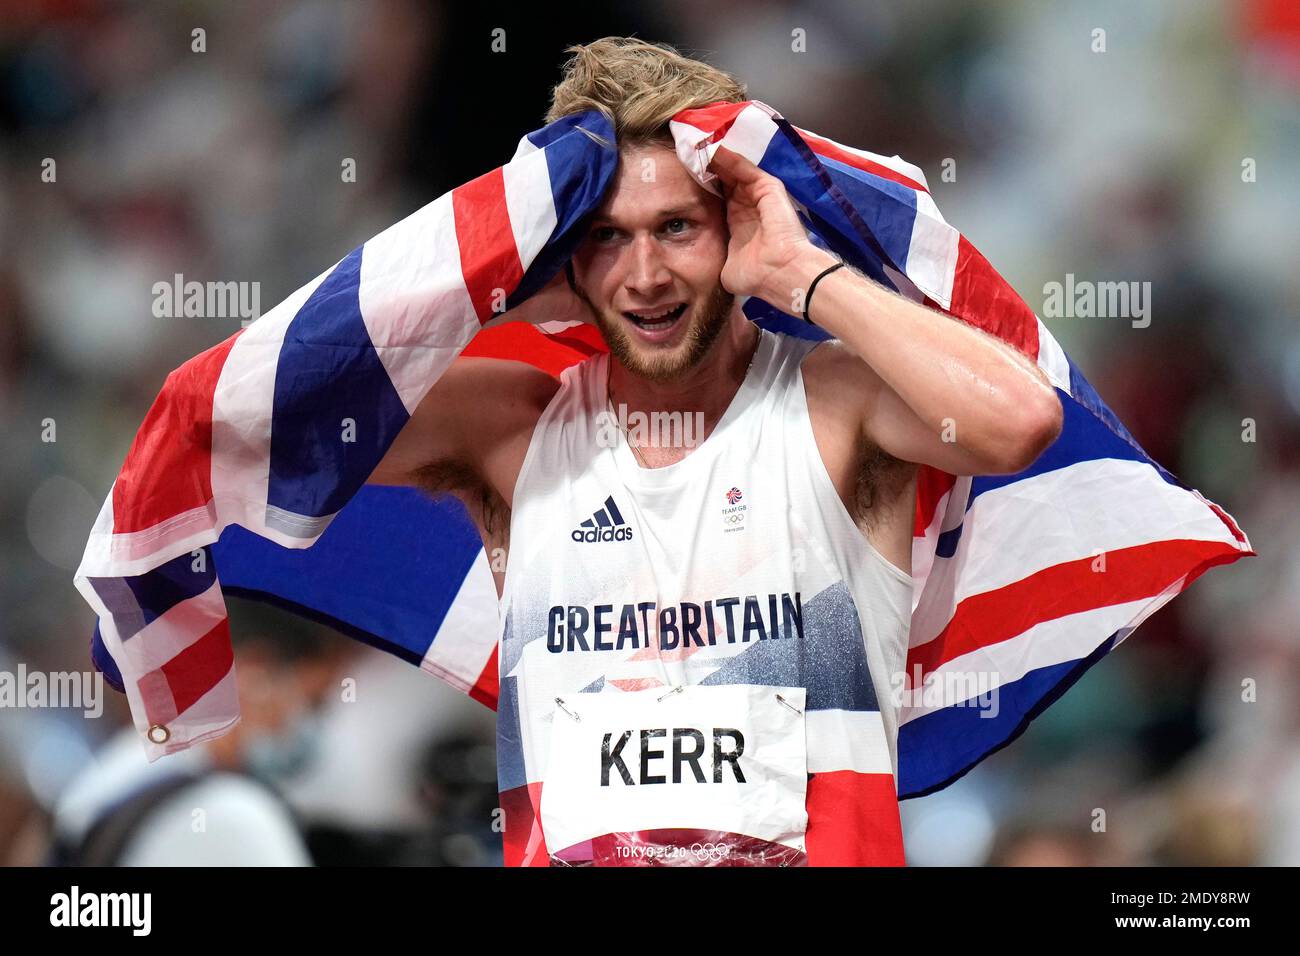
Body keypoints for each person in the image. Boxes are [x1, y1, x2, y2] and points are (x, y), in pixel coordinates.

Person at [367, 37, 1063, 866]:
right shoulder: (511, 427)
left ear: (735, 222)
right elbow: (283, 421)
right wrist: (486, 285)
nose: (646, 274)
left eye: (676, 228)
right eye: (606, 238)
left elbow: (1020, 420)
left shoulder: (835, 404)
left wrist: (803, 272)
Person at [46, 598, 342, 866]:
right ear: (255, 672)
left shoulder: (116, 771)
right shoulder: (234, 816)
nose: (311, 726)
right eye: (313, 703)